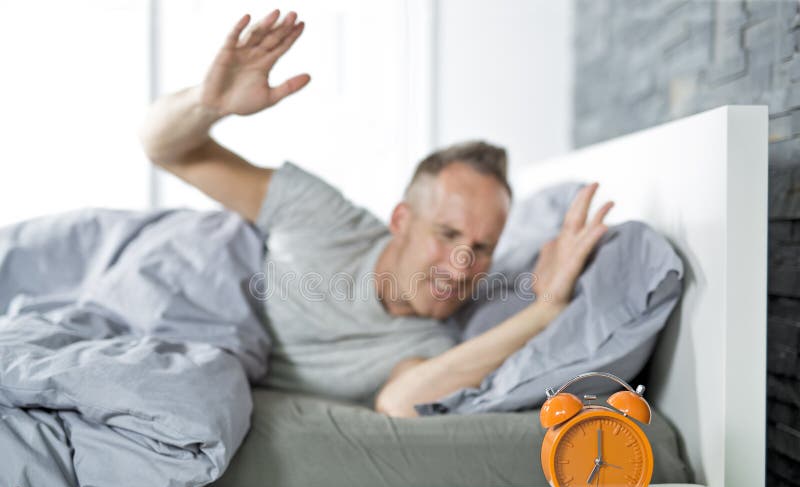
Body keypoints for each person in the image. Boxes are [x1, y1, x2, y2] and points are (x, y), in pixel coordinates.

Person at [138, 9, 613, 417]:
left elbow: (403, 404)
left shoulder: (430, 345)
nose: (462, 264)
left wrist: (546, 309)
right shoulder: (322, 215)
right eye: (447, 234)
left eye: (482, 247)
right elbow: (165, 147)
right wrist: (207, 104)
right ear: (402, 219)